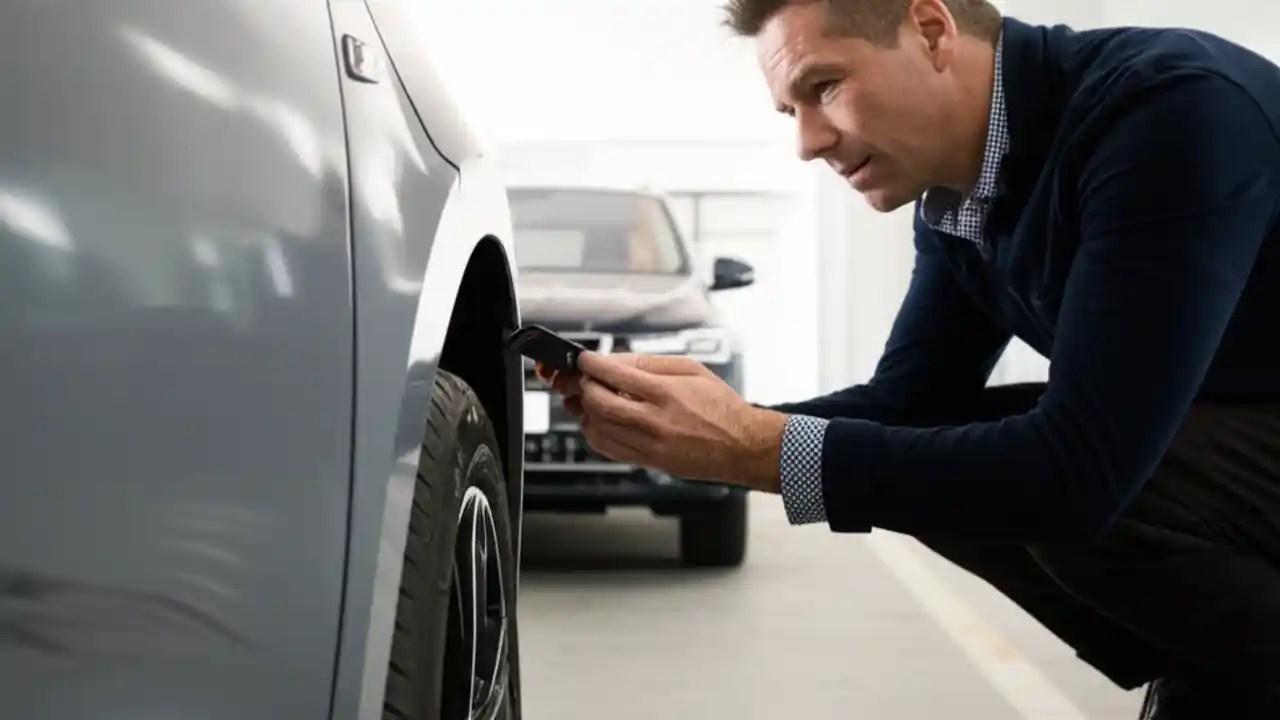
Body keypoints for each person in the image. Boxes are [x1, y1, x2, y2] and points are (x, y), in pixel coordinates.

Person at [536, 0, 1280, 715]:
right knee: (930, 447)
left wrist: (749, 450)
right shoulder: (958, 202)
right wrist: (708, 427)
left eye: (823, 87)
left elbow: (1079, 475)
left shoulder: (1170, 113)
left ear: (930, 31)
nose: (808, 142)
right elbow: (909, 403)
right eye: (790, 112)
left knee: (1090, 488)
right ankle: (1220, 674)